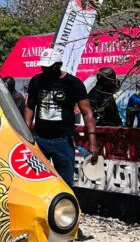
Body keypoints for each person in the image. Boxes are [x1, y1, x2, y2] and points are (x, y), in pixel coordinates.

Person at [24, 48, 98, 188]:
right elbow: (29, 106)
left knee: (64, 184)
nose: (45, 70)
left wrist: (93, 142)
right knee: (36, 181)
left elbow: (87, 112)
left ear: (59, 64)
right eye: (43, 67)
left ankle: (64, 208)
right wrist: (26, 132)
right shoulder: (36, 81)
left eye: (49, 67)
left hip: (63, 141)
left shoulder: (73, 83)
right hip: (39, 140)